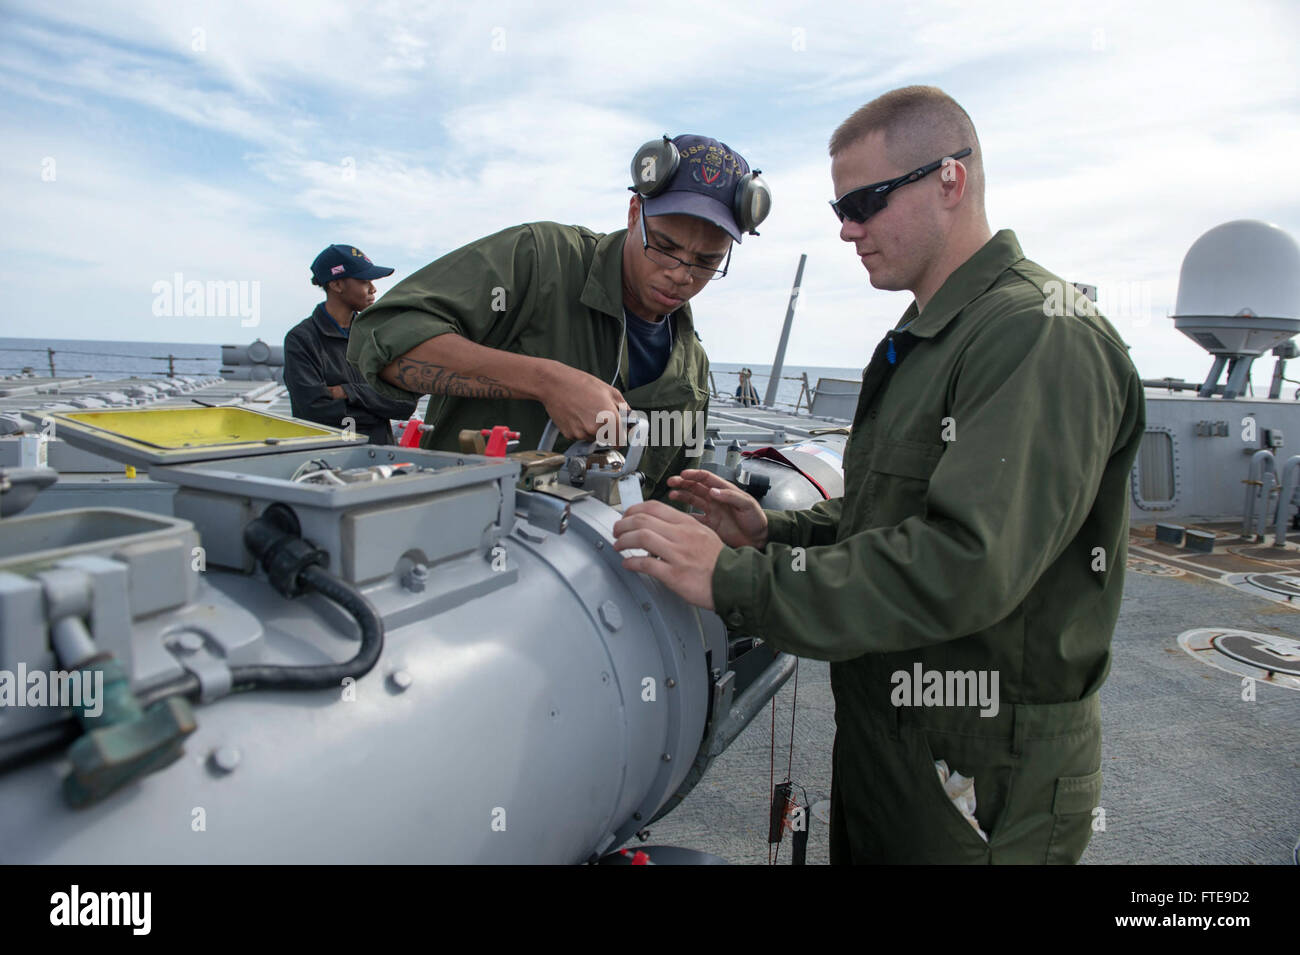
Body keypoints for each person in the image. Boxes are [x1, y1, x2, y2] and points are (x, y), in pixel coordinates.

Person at [612, 86, 1145, 864]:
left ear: (949, 180)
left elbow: (965, 563)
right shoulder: (932, 337)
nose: (848, 230)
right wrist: (771, 531)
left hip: (981, 774)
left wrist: (736, 581)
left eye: (865, 202)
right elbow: (892, 514)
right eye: (839, 210)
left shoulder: (1038, 334)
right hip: (894, 747)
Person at [347, 135, 770, 500]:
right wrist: (545, 381)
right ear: (633, 214)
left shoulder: (691, 368)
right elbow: (385, 338)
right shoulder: (540, 260)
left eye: (706, 261)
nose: (681, 274)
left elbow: (669, 494)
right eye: (663, 246)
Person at [284, 244, 416, 445]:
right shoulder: (302, 339)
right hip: (327, 461)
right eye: (364, 281)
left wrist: (347, 391)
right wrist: (378, 411)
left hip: (381, 460)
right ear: (337, 285)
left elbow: (405, 403)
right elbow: (313, 412)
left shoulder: (378, 336)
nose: (373, 288)